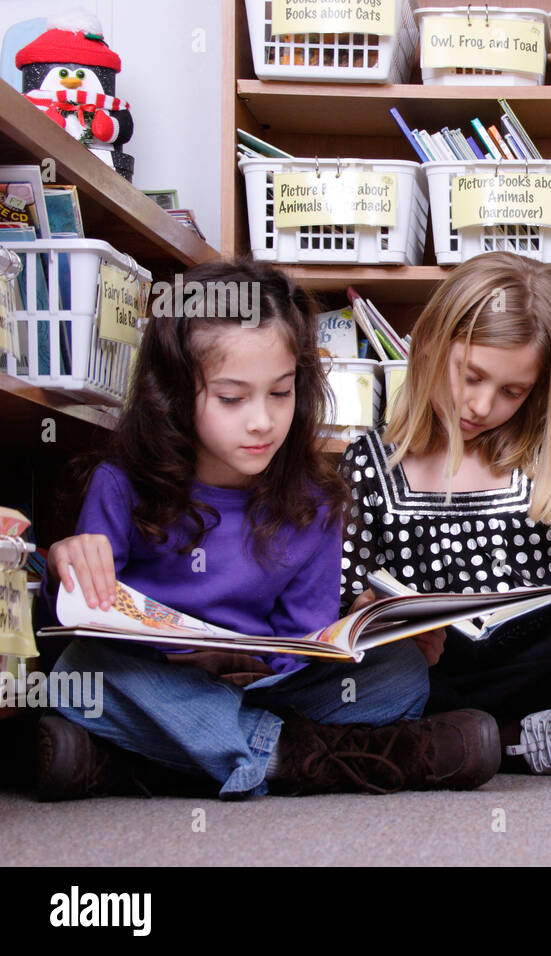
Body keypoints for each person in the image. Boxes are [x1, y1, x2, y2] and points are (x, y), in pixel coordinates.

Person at [37, 259, 499, 801]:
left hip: (264, 693)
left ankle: (160, 761)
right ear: (176, 395)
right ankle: (294, 758)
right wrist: (61, 568)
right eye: (232, 398)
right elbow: (75, 627)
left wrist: (331, 643)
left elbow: (300, 648)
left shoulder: (316, 504)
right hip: (157, 681)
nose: (262, 421)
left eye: (280, 393)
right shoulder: (121, 486)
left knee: (400, 671)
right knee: (82, 670)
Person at [340, 252, 551, 777]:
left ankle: (456, 739)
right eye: (470, 375)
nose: (482, 406)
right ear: (432, 345)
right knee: (366, 677)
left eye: (512, 391)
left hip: (531, 662)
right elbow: (344, 603)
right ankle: (527, 739)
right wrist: (376, 621)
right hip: (431, 668)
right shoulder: (370, 462)